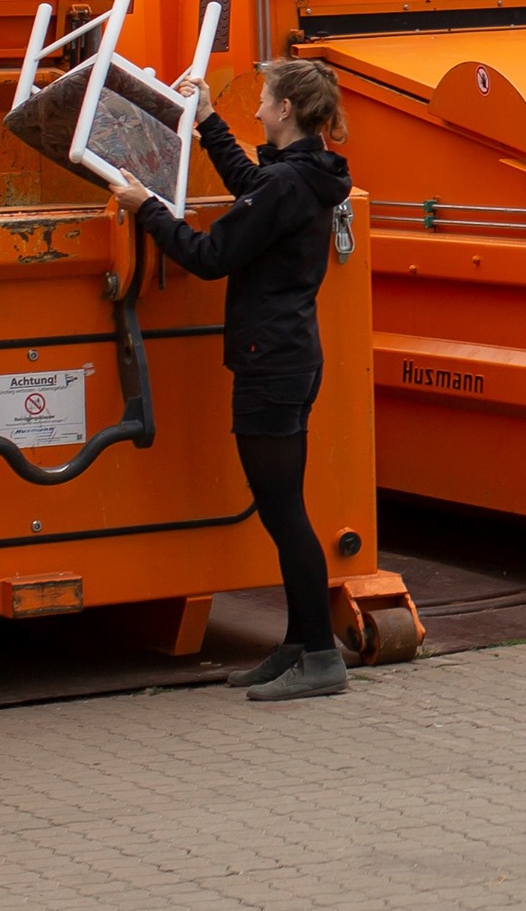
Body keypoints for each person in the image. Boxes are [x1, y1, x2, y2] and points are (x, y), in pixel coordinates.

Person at [112, 58, 353, 703]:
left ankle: (321, 657)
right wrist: (209, 122)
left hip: (269, 362)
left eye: (264, 100)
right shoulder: (304, 175)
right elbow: (252, 185)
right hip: (291, 356)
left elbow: (210, 255)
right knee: (284, 508)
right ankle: (299, 644)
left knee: (284, 513)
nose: (258, 109)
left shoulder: (285, 185)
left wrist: (146, 208)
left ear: (286, 111)